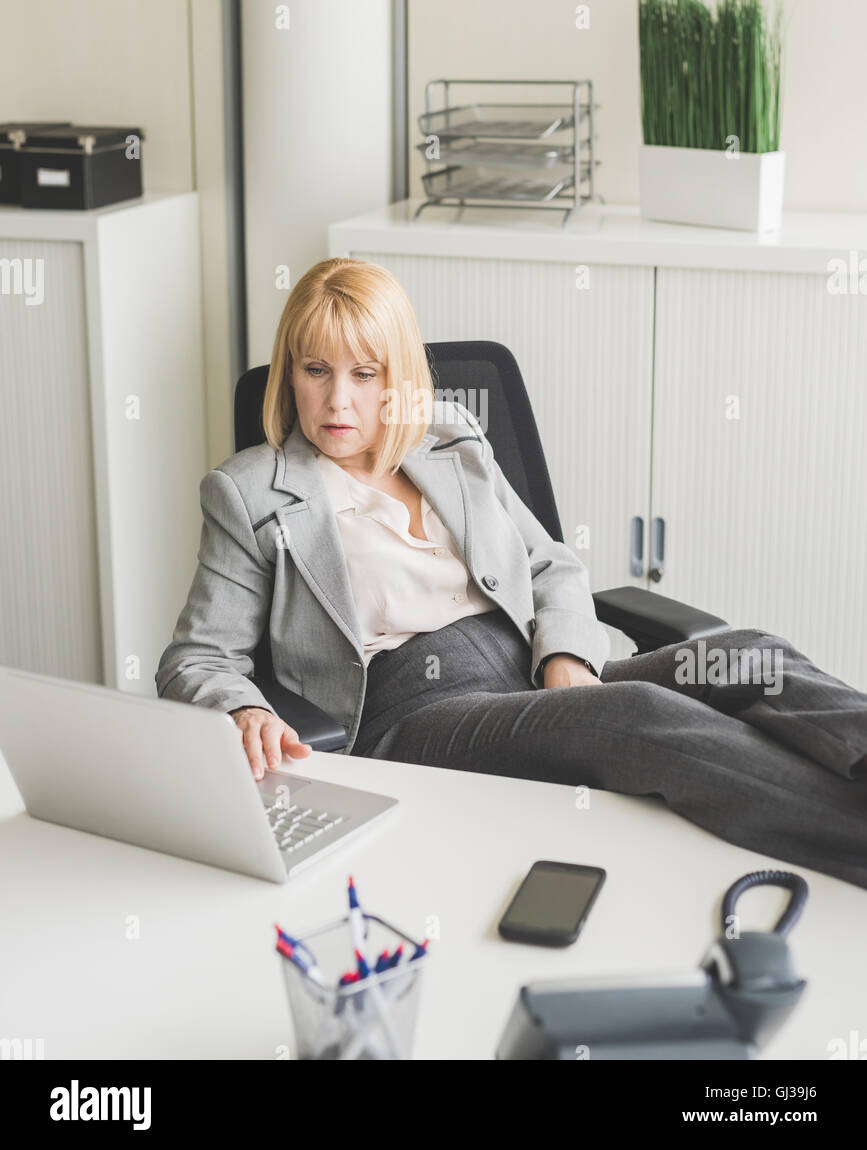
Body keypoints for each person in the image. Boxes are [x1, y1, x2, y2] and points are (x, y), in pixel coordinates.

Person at [156, 258, 867, 891]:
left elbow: (548, 561)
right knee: (641, 718)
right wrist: (243, 709)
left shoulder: (450, 438)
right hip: (412, 717)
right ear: (290, 372)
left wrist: (564, 656)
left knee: (748, 656)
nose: (338, 400)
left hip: (526, 665)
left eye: (363, 374)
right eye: (316, 370)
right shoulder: (249, 492)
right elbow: (197, 657)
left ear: (396, 377)